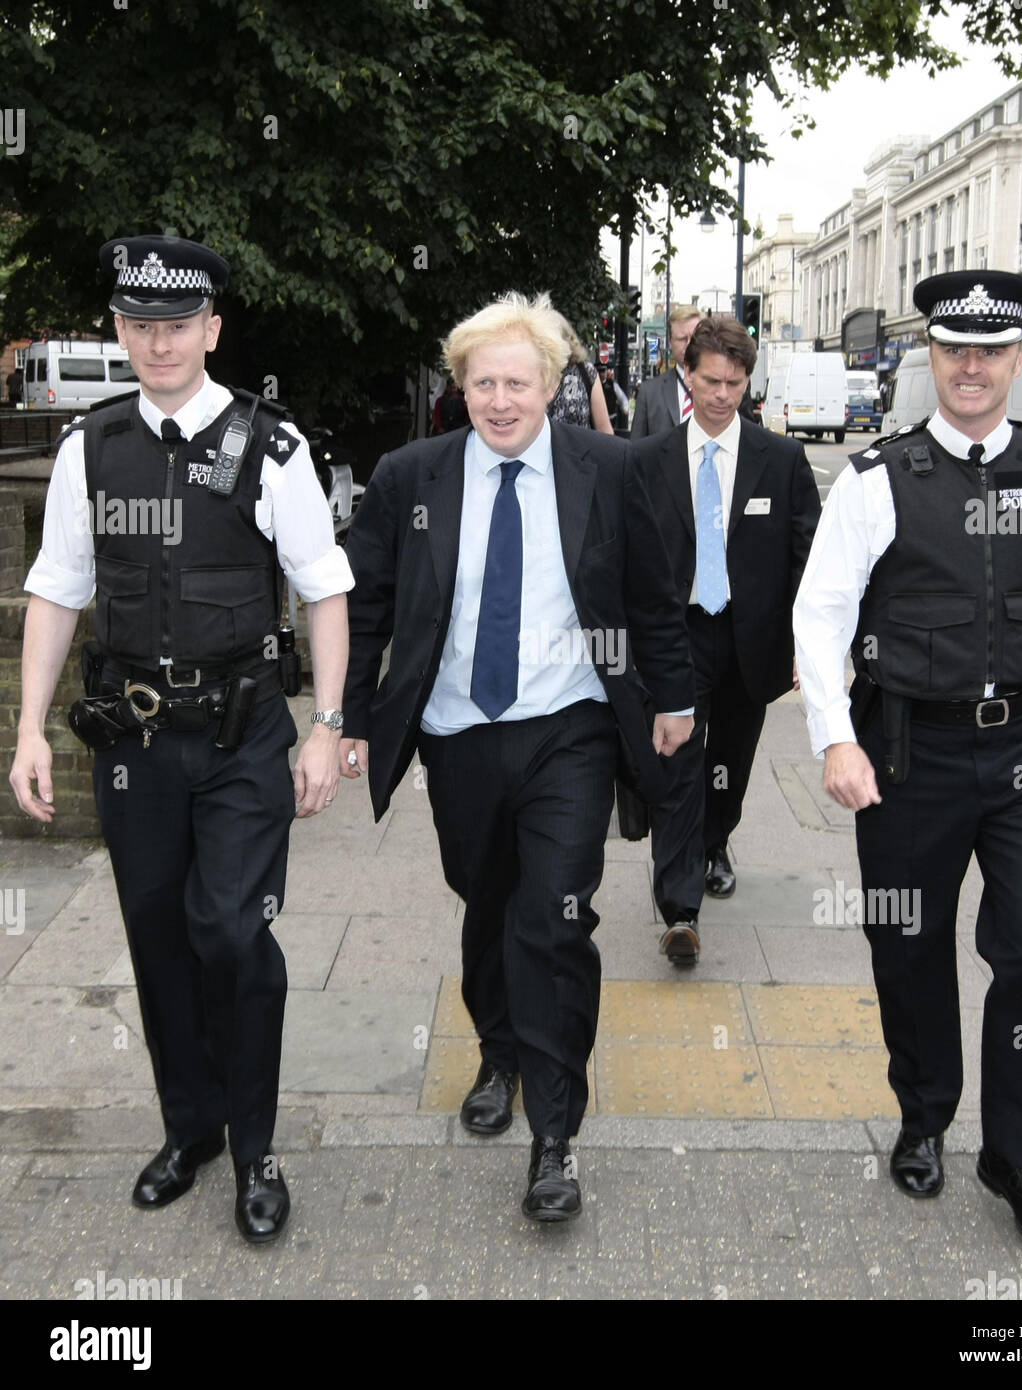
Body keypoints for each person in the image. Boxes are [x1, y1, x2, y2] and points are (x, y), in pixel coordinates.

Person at [9, 235, 353, 1244]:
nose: (158, 342)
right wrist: (29, 727)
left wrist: (327, 726)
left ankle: (257, 1146)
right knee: (159, 938)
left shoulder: (272, 446)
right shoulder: (91, 446)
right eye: (139, 324)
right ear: (121, 330)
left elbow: (324, 589)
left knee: (231, 932)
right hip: (132, 743)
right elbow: (55, 592)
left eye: (177, 325)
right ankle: (189, 1128)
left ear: (211, 328)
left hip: (244, 736)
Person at [792, 270, 1022, 1254]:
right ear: (931, 358)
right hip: (909, 753)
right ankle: (924, 1112)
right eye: (954, 350)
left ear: (1017, 358)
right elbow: (818, 614)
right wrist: (835, 736)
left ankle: (1016, 1156)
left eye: (991, 350)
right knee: (907, 947)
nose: (972, 366)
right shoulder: (877, 480)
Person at [341, 291, 694, 1221]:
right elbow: (366, 601)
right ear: (460, 387)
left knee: (555, 918)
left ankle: (555, 1135)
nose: (501, 400)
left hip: (568, 728)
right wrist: (347, 717)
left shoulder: (608, 469)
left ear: (552, 387)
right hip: (457, 733)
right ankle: (498, 1050)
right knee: (489, 903)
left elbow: (656, 594)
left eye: (518, 382)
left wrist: (676, 698)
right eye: (483, 382)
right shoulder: (410, 477)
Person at [634, 317, 820, 965]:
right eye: (710, 380)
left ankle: (716, 842)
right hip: (676, 638)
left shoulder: (782, 460)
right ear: (687, 375)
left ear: (748, 381)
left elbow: (807, 560)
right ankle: (681, 907)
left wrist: (807, 644)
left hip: (750, 640)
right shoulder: (650, 461)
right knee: (678, 763)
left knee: (729, 768)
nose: (721, 394)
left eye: (734, 383)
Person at [629, 305, 702, 438]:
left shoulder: (725, 386)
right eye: (682, 339)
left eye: (695, 338)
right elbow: (636, 450)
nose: (689, 344)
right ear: (670, 342)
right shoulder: (649, 392)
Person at [547, 305, 613, 433]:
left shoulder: (586, 371)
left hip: (580, 451)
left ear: (568, 340)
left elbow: (605, 431)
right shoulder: (529, 372)